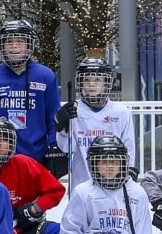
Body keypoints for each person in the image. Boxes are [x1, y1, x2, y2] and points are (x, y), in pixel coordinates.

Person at [0, 19, 61, 167]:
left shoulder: (45, 76)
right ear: (2, 46)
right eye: (9, 41)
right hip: (1, 159)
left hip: (36, 157)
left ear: (29, 45)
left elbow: (53, 118)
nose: (14, 46)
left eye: (20, 41)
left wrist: (53, 148)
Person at [54, 57, 135, 187]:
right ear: (80, 83)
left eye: (97, 80)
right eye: (87, 80)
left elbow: (128, 148)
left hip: (114, 181)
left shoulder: (121, 112)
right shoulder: (73, 110)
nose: (92, 84)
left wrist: (129, 174)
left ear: (106, 83)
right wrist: (62, 128)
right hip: (82, 184)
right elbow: (66, 148)